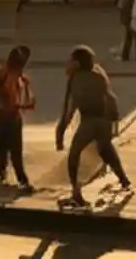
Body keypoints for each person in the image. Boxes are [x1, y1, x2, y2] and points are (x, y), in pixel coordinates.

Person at [56, 45, 131, 206]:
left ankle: (76, 192)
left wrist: (60, 133)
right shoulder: (98, 72)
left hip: (90, 121)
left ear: (77, 64)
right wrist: (114, 121)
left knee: (74, 154)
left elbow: (69, 108)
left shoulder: (76, 79)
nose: (67, 63)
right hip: (105, 120)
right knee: (106, 149)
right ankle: (124, 179)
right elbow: (110, 97)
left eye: (70, 60)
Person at [0, 45, 34, 190]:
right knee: (14, 151)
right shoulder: (10, 75)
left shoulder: (13, 75)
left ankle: (1, 174)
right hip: (9, 117)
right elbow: (9, 97)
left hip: (6, 116)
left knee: (5, 149)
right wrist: (22, 106)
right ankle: (21, 180)